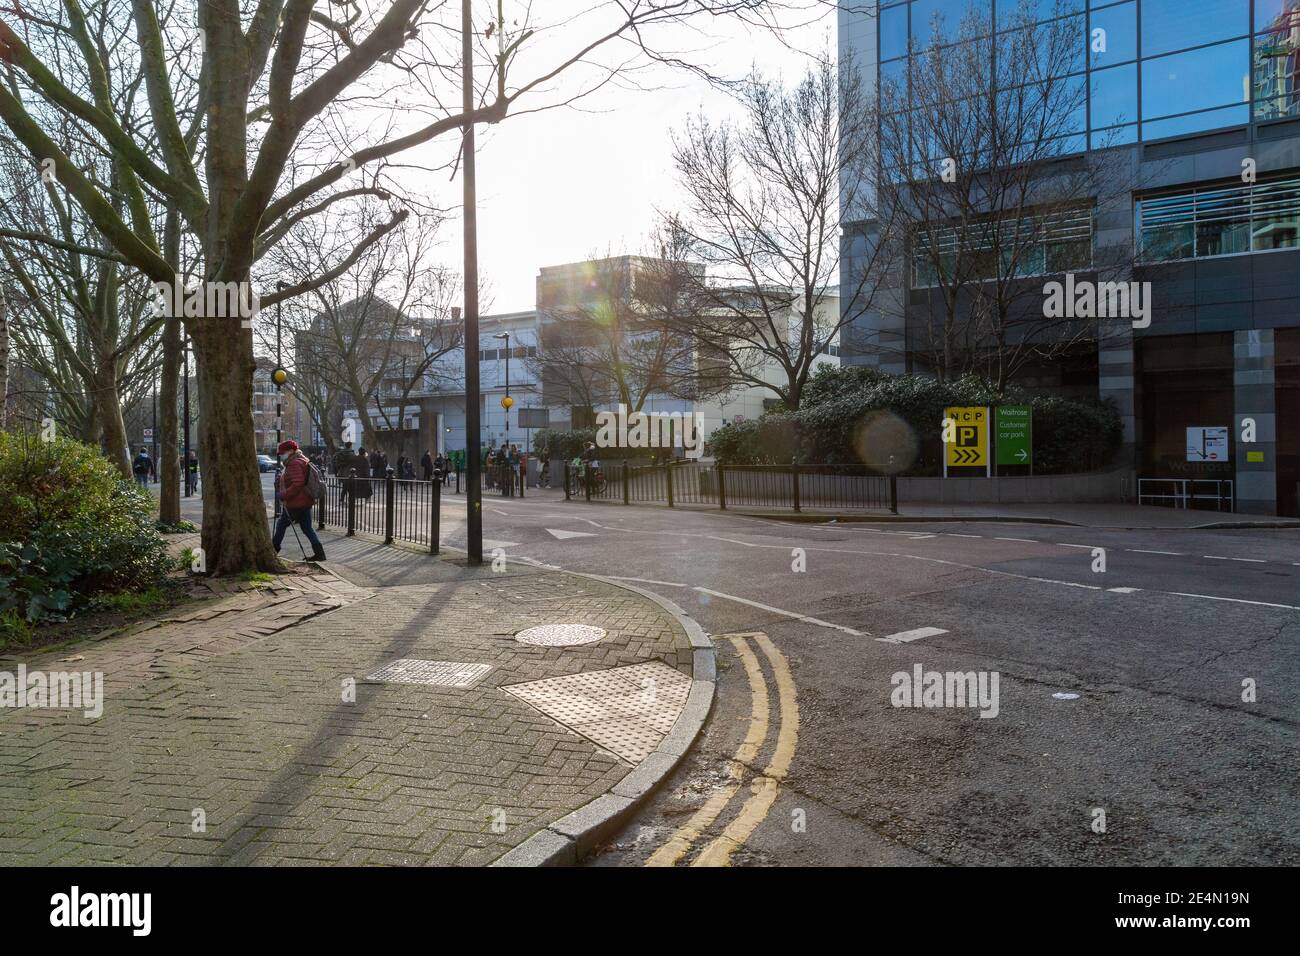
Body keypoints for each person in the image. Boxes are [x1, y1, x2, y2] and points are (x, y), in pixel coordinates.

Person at [272, 439, 326, 561]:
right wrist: (281, 478)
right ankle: (320, 553)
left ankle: (274, 549)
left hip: (296, 502)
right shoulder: (301, 460)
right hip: (305, 501)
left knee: (281, 524)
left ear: (291, 451)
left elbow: (298, 483)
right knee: (307, 528)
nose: (281, 455)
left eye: (283, 453)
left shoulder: (294, 463)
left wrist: (283, 494)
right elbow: (296, 479)